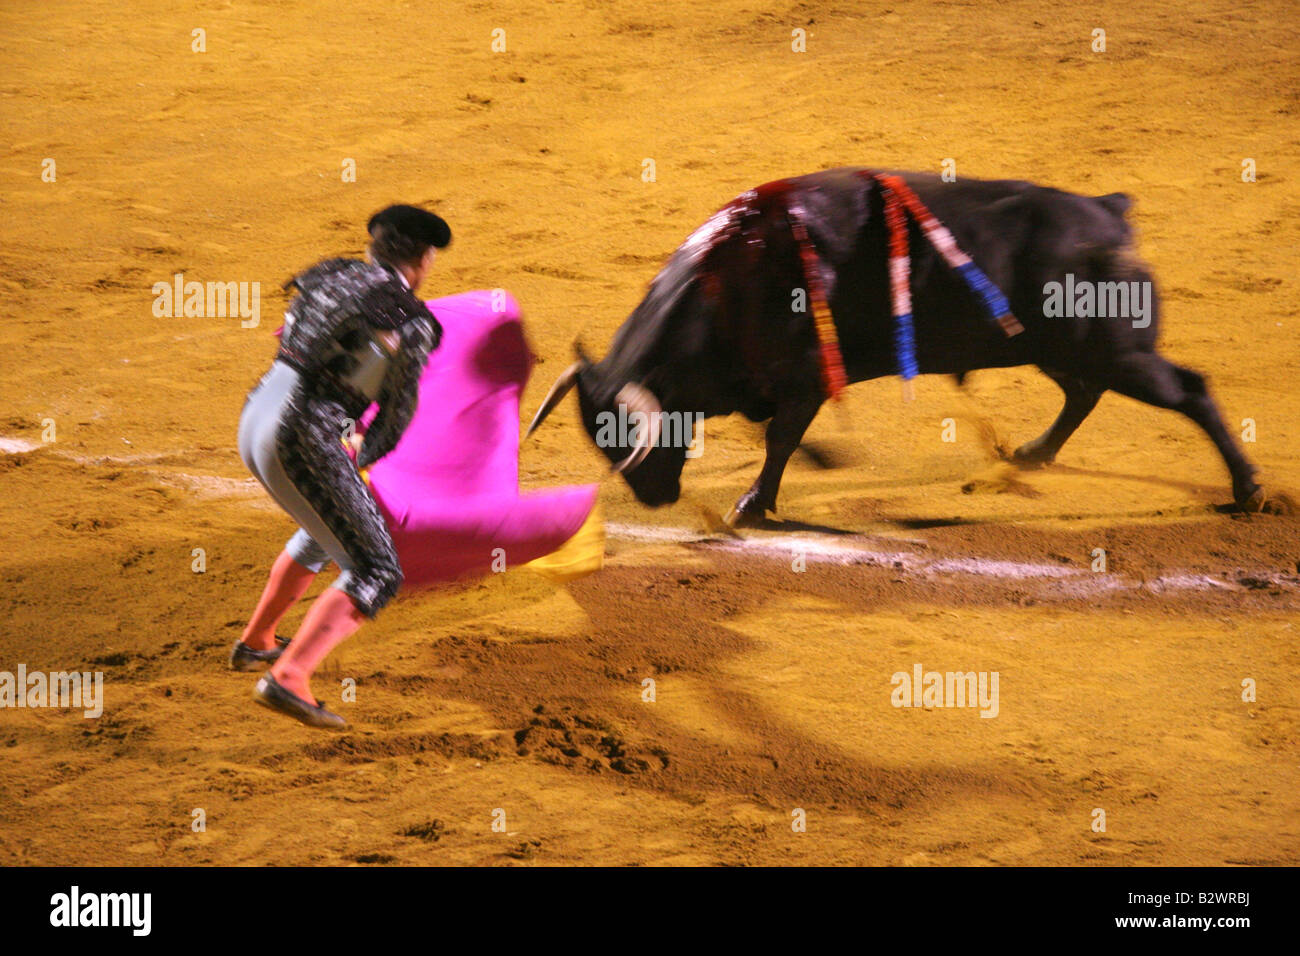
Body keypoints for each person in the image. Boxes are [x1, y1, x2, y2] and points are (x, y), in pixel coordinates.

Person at [233, 205, 449, 728]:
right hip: (302, 434)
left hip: (256, 414)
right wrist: (366, 460)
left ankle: (258, 639)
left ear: (374, 247)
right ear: (423, 258)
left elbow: (285, 335)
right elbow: (396, 414)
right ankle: (289, 677)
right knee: (376, 569)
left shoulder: (327, 273)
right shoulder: (412, 318)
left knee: (323, 527)